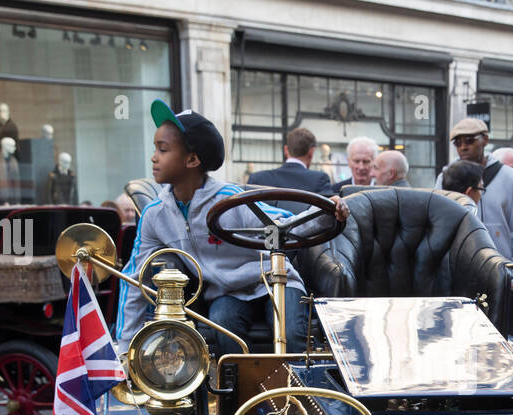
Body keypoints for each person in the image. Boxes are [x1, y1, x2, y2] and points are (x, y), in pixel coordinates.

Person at [117, 101, 345, 357]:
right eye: (155, 148)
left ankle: (297, 384)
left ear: (192, 159)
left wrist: (328, 213)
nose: (154, 157)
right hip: (226, 292)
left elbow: (286, 226)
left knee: (290, 333)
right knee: (223, 326)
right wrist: (125, 350)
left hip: (272, 281)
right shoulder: (154, 215)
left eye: (163, 149)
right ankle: (241, 385)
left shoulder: (231, 200)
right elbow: (135, 279)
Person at [440, 117, 513, 340]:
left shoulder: (508, 176)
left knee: (508, 345)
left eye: (469, 140)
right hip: (461, 282)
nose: (463, 147)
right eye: (458, 142)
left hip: (504, 279)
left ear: (485, 140)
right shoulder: (445, 176)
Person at [248, 127, 334, 212]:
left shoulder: (257, 179)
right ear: (311, 152)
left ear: (286, 150)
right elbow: (328, 213)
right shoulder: (319, 179)